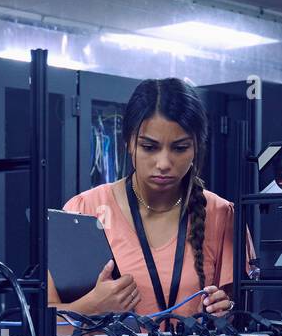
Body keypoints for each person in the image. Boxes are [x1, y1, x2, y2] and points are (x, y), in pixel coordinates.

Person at [49, 77, 247, 323]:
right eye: (149, 147)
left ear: (196, 147)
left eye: (179, 148)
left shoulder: (221, 215)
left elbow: (244, 321)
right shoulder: (84, 211)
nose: (163, 163)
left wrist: (225, 313)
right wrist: (91, 306)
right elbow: (43, 324)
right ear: (129, 143)